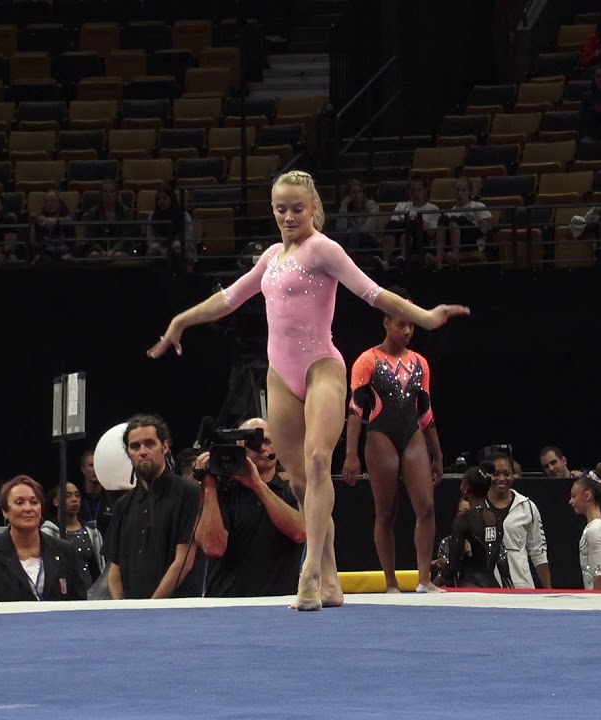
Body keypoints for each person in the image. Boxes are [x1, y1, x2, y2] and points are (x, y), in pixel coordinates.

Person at [148, 170, 470, 610]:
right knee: (299, 481)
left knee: (319, 462)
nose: (288, 216)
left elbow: (373, 293)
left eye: (297, 208)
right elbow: (229, 298)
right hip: (280, 373)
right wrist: (181, 319)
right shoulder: (271, 257)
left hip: (322, 366)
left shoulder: (324, 250)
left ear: (314, 207)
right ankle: (333, 581)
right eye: (280, 209)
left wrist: (427, 317)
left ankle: (312, 571)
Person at [342, 286, 446, 594]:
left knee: (426, 507)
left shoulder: (420, 362)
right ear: (385, 322)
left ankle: (424, 578)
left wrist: (438, 455)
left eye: (411, 324)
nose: (407, 330)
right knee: (386, 511)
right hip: (380, 436)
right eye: (401, 323)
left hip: (412, 434)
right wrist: (350, 454)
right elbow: (355, 411)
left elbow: (426, 413)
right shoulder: (366, 360)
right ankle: (390, 582)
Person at [195, 418, 306, 598]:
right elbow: (212, 547)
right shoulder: (221, 491)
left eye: (268, 441)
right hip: (226, 605)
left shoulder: (293, 491)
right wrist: (209, 486)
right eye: (252, 442)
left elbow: (300, 532)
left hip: (277, 606)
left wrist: (257, 485)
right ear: (239, 448)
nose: (262, 448)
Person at [104, 415, 202, 600]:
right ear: (128, 452)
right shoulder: (123, 505)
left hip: (177, 613)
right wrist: (121, 607)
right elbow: (114, 568)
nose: (143, 451)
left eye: (150, 444)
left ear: (165, 447)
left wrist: (151, 607)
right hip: (132, 616)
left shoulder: (189, 494)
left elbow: (184, 561)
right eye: (135, 446)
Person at [0, 475, 88, 602]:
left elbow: (79, 603)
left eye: (34, 502)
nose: (28, 508)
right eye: (19, 502)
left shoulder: (65, 550)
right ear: (5, 511)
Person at [486, 453, 551, 589]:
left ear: (514, 475)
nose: (501, 478)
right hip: (486, 586)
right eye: (496, 474)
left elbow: (538, 553)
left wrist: (548, 590)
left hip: (521, 586)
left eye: (507, 473)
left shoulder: (527, 507)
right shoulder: (477, 505)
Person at [445, 462, 511, 588]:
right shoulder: (498, 517)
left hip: (470, 587)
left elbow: (453, 567)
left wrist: (434, 584)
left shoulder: (463, 520)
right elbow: (503, 565)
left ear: (466, 487)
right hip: (494, 587)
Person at [41, 482, 106, 588]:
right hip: (61, 593)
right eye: (67, 496)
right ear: (55, 501)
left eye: (77, 495)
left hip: (91, 593)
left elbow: (101, 566)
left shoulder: (93, 532)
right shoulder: (48, 533)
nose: (74, 499)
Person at [569, 470, 601, 590]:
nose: (571, 501)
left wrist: (595, 603)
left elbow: (600, 575)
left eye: (574, 496)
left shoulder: (595, 529)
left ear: (587, 495)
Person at [435, 177, 492, 267]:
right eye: (457, 190)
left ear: (469, 192)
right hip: (454, 239)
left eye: (463, 190)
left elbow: (484, 229)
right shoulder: (450, 211)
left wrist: (465, 227)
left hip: (473, 239)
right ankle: (438, 258)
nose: (460, 193)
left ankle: (455, 256)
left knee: (456, 220)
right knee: (443, 219)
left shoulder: (478, 206)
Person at [79, 180, 139, 257]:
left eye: (112, 191)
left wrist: (113, 250)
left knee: (119, 255)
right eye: (105, 191)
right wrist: (101, 250)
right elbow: (91, 237)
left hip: (122, 248)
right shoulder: (93, 213)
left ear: (117, 194)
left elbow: (126, 237)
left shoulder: (126, 212)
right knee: (94, 255)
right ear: (101, 194)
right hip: (98, 249)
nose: (109, 194)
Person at [146, 187, 196, 267]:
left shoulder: (184, 215)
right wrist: (160, 249)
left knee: (178, 253)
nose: (161, 201)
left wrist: (172, 248)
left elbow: (187, 239)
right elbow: (150, 240)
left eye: (164, 198)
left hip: (180, 250)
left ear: (172, 199)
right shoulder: (152, 217)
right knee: (152, 255)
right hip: (159, 251)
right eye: (158, 199)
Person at [334, 179, 381, 252]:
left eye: (359, 192)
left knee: (354, 236)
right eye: (353, 193)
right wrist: (343, 205)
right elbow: (340, 230)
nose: (357, 196)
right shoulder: (346, 209)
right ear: (348, 195)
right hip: (352, 240)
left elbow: (366, 229)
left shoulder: (372, 206)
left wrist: (349, 231)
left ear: (363, 194)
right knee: (339, 237)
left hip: (371, 240)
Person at [31, 190, 76, 261]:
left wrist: (53, 220)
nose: (49, 203)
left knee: (66, 260)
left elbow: (70, 219)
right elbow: (33, 216)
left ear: (59, 202)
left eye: (52, 200)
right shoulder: (41, 216)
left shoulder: (68, 214)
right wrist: (39, 219)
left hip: (65, 250)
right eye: (47, 201)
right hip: (46, 251)